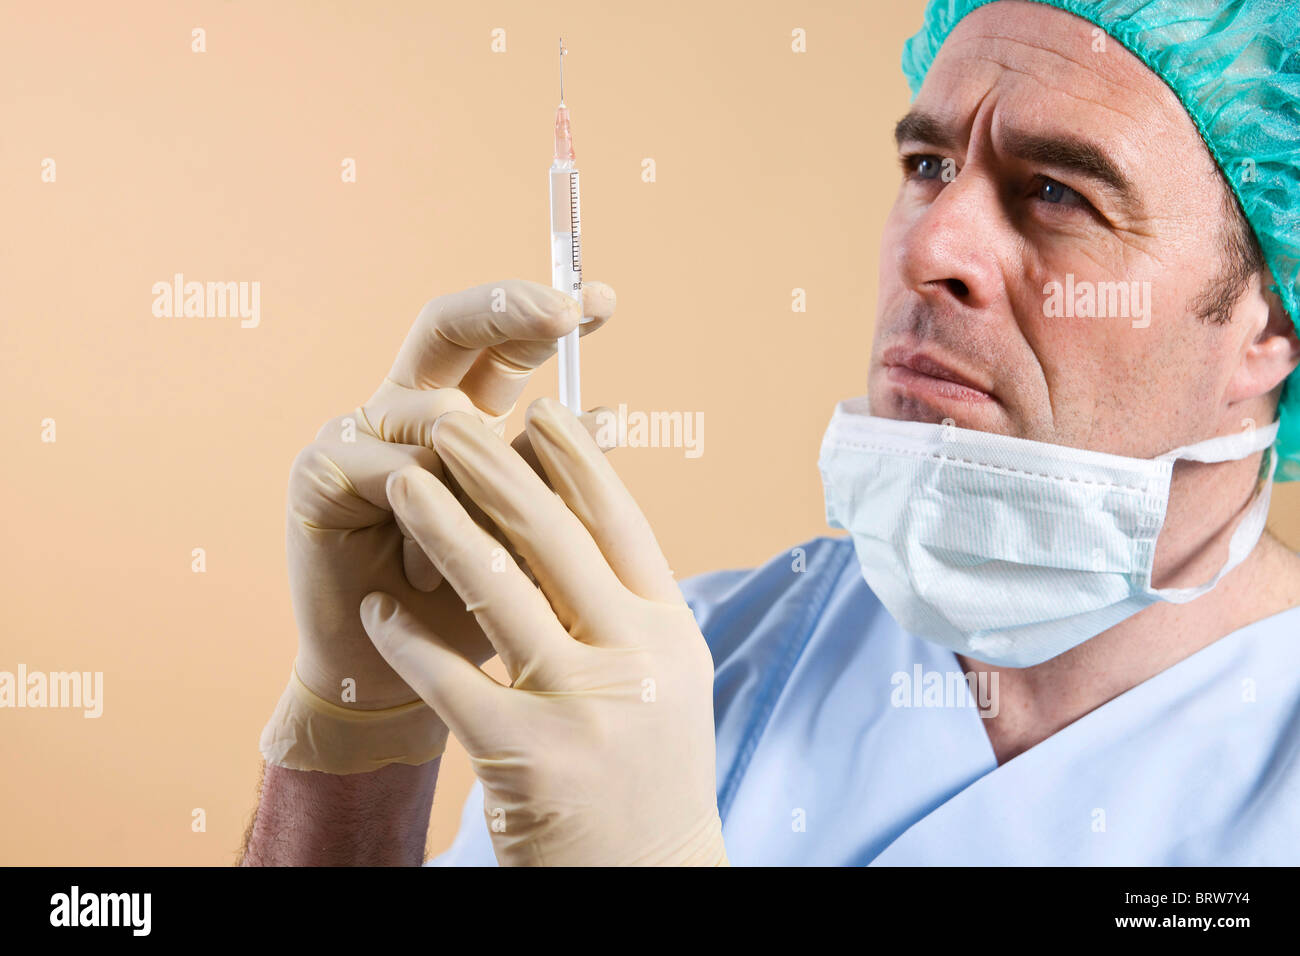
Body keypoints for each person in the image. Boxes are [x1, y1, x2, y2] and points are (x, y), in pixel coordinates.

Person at [240, 0, 1300, 866]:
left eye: (1057, 191)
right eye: (929, 165)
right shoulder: (674, 673)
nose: (932, 242)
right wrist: (355, 745)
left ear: (1271, 324)